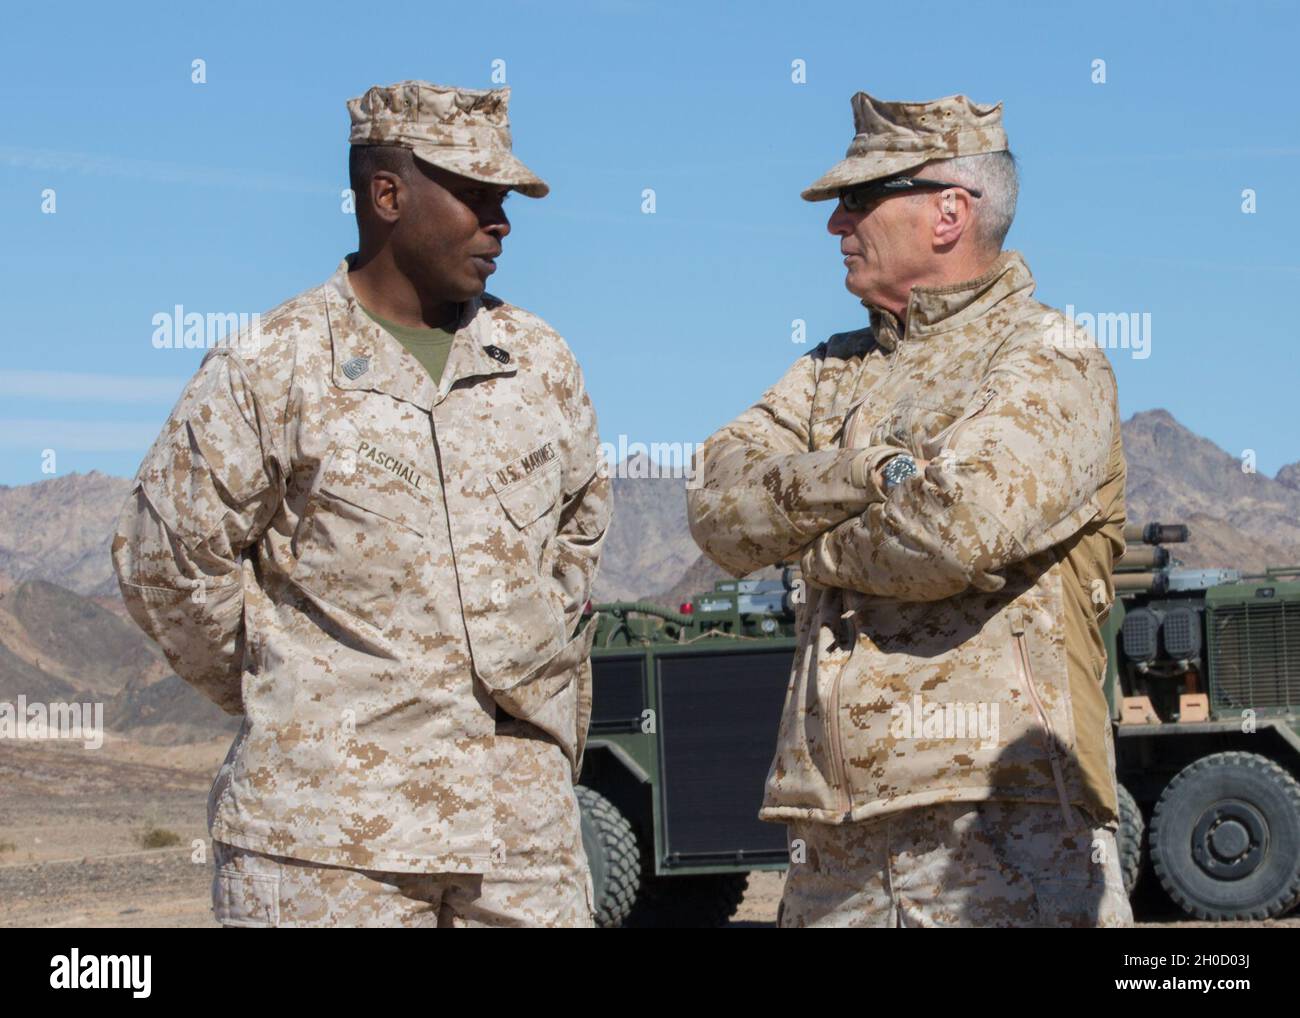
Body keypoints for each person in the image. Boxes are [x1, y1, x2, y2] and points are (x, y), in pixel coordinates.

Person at [112, 80, 611, 927]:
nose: (502, 222)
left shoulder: (538, 361)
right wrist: (295, 690)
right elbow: (166, 564)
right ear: (387, 195)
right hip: (324, 847)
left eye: (505, 199)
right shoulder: (273, 364)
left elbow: (580, 534)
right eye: (476, 196)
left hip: (522, 845)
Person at [685, 91, 1131, 927]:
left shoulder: (1050, 355)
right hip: (835, 849)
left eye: (859, 199)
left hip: (1006, 833)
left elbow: (957, 528)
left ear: (949, 212)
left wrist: (806, 547)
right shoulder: (828, 372)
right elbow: (716, 505)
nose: (835, 225)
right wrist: (866, 475)